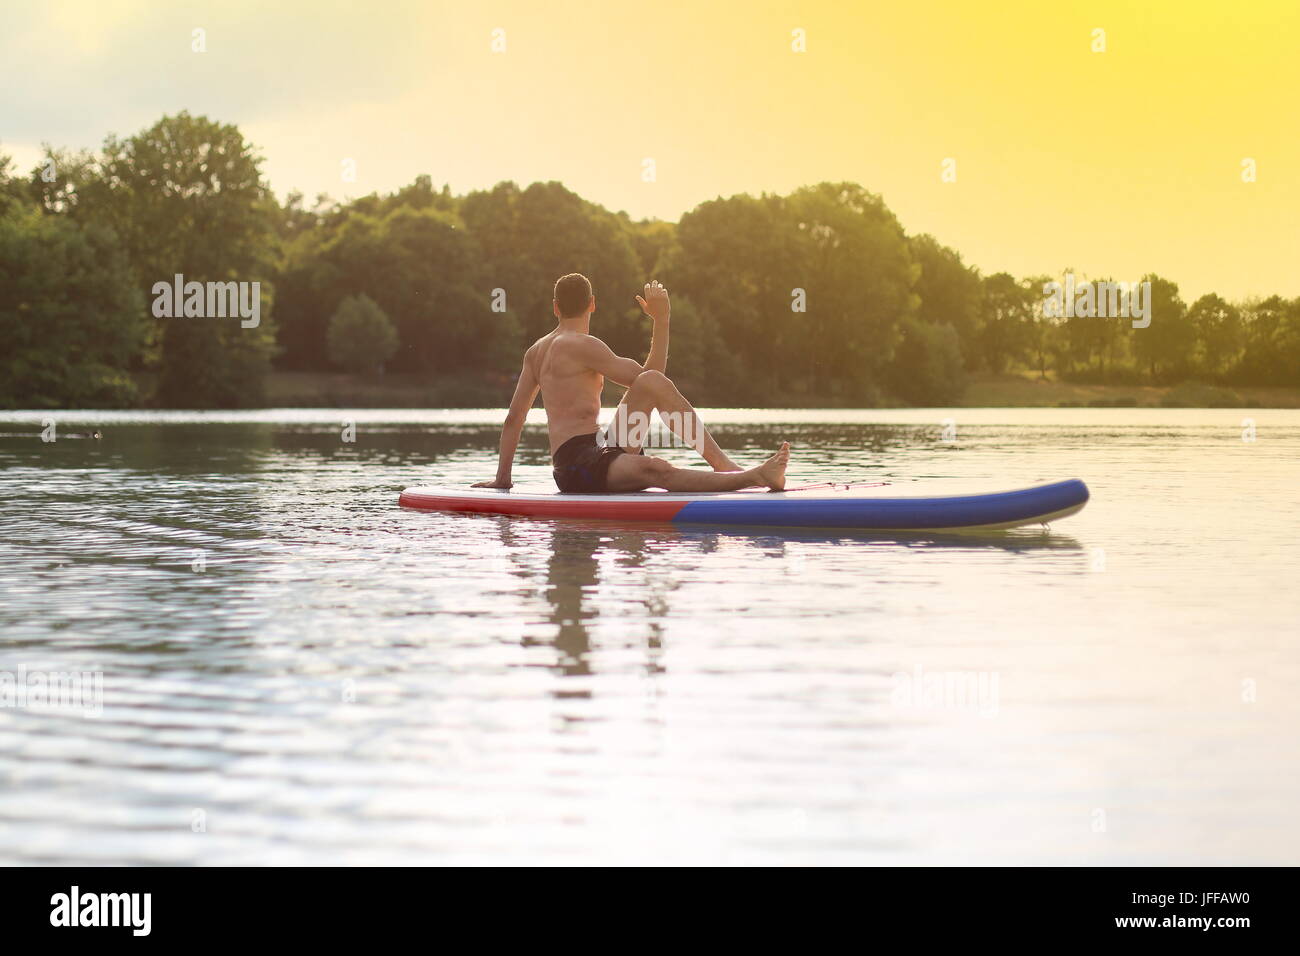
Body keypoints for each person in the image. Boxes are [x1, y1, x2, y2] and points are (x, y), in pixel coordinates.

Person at [474, 273, 789, 493]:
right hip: (576, 467)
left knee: (650, 383)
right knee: (656, 469)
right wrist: (662, 322)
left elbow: (514, 419)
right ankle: (752, 476)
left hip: (599, 449)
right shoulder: (586, 346)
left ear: (555, 307)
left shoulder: (535, 352)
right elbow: (656, 377)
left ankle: (725, 467)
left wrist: (503, 478)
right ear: (593, 304)